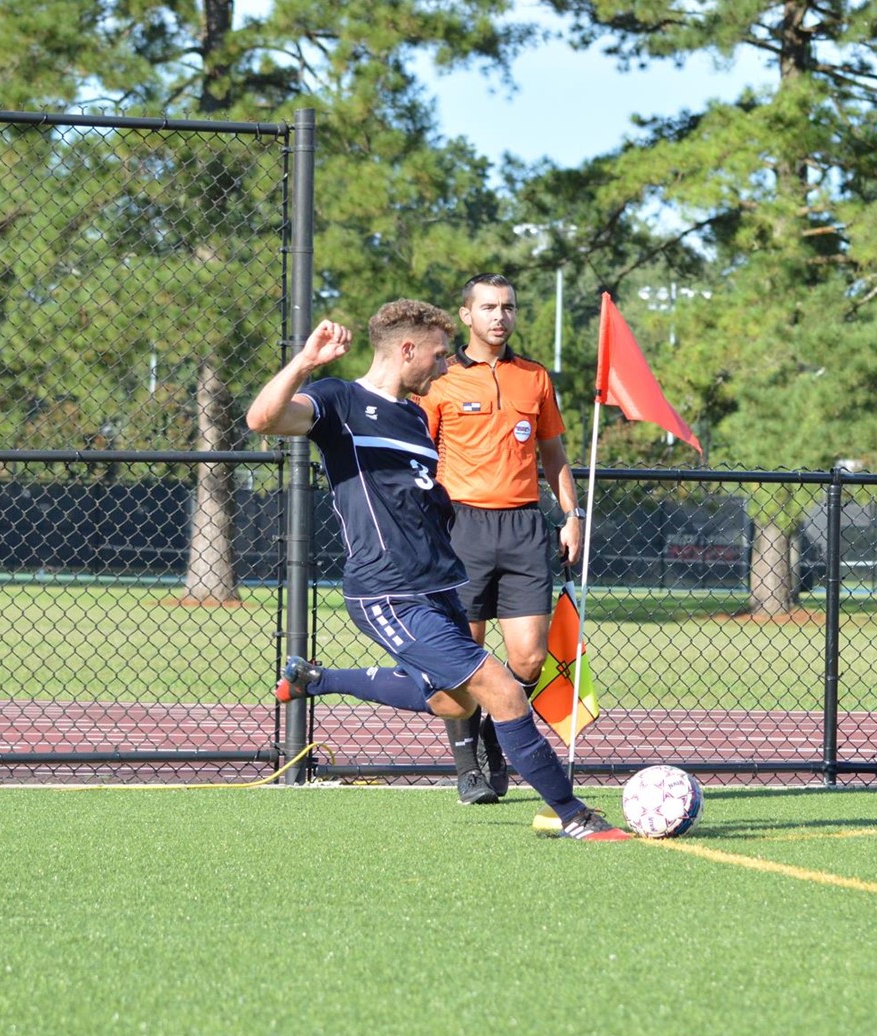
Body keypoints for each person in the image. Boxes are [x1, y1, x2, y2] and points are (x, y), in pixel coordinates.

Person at [244, 300, 628, 841]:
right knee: (504, 690)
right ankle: (575, 815)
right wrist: (304, 363)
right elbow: (261, 419)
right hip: (388, 590)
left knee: (454, 699)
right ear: (406, 351)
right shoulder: (338, 400)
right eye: (438, 354)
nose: (445, 366)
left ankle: (318, 678)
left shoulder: (414, 416)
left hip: (441, 583)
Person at [415, 274, 584, 806]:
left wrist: (571, 514)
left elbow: (553, 455)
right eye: (488, 307)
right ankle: (469, 767)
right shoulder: (439, 380)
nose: (499, 317)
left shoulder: (534, 378)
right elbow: (416, 460)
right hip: (459, 530)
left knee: (529, 658)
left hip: (523, 529)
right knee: (462, 658)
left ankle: (497, 723)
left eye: (507, 307)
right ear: (466, 315)